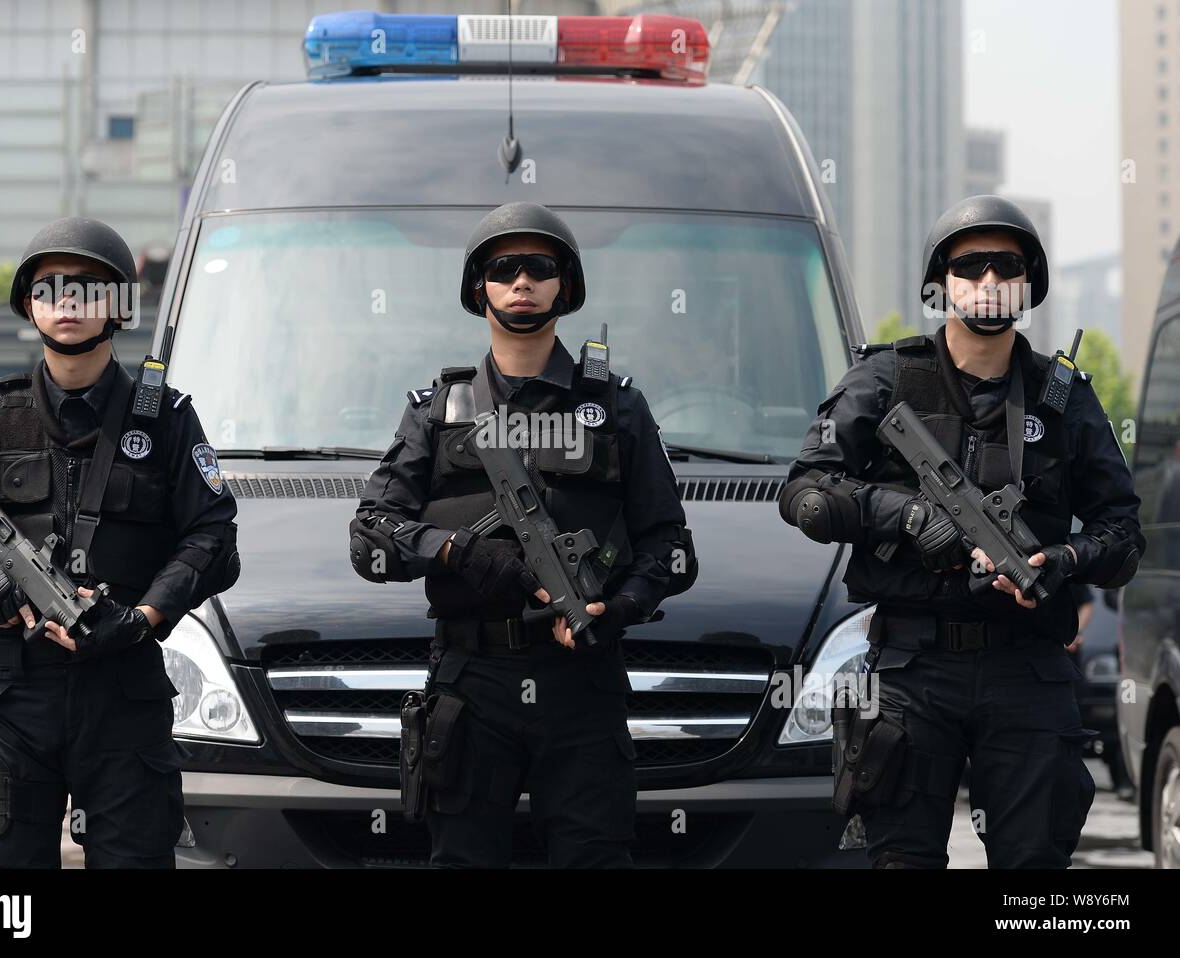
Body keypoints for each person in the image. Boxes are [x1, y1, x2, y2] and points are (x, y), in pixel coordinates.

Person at [780, 195, 1144, 868]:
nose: (987, 281)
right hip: (912, 670)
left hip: (1028, 666)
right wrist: (910, 517)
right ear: (940, 282)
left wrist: (1064, 558)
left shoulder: (1062, 396)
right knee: (901, 860)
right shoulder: (887, 378)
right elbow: (804, 493)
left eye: (1005, 265)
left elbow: (1123, 533)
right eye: (969, 265)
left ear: (1028, 283)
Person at [350, 202, 695, 867]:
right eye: (503, 268)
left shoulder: (617, 405)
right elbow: (370, 536)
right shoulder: (436, 410)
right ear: (478, 285)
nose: (521, 283)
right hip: (471, 682)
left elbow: (670, 549)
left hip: (582, 682)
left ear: (565, 285)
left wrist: (619, 607)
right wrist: (461, 552)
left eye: (540, 268)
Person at [0, 217, 241, 868]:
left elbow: (214, 536)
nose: (69, 301)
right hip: (13, 699)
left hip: (125, 697)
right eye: (51, 287)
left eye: (89, 287)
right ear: (29, 303)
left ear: (119, 307)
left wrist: (142, 620)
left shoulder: (164, 417)